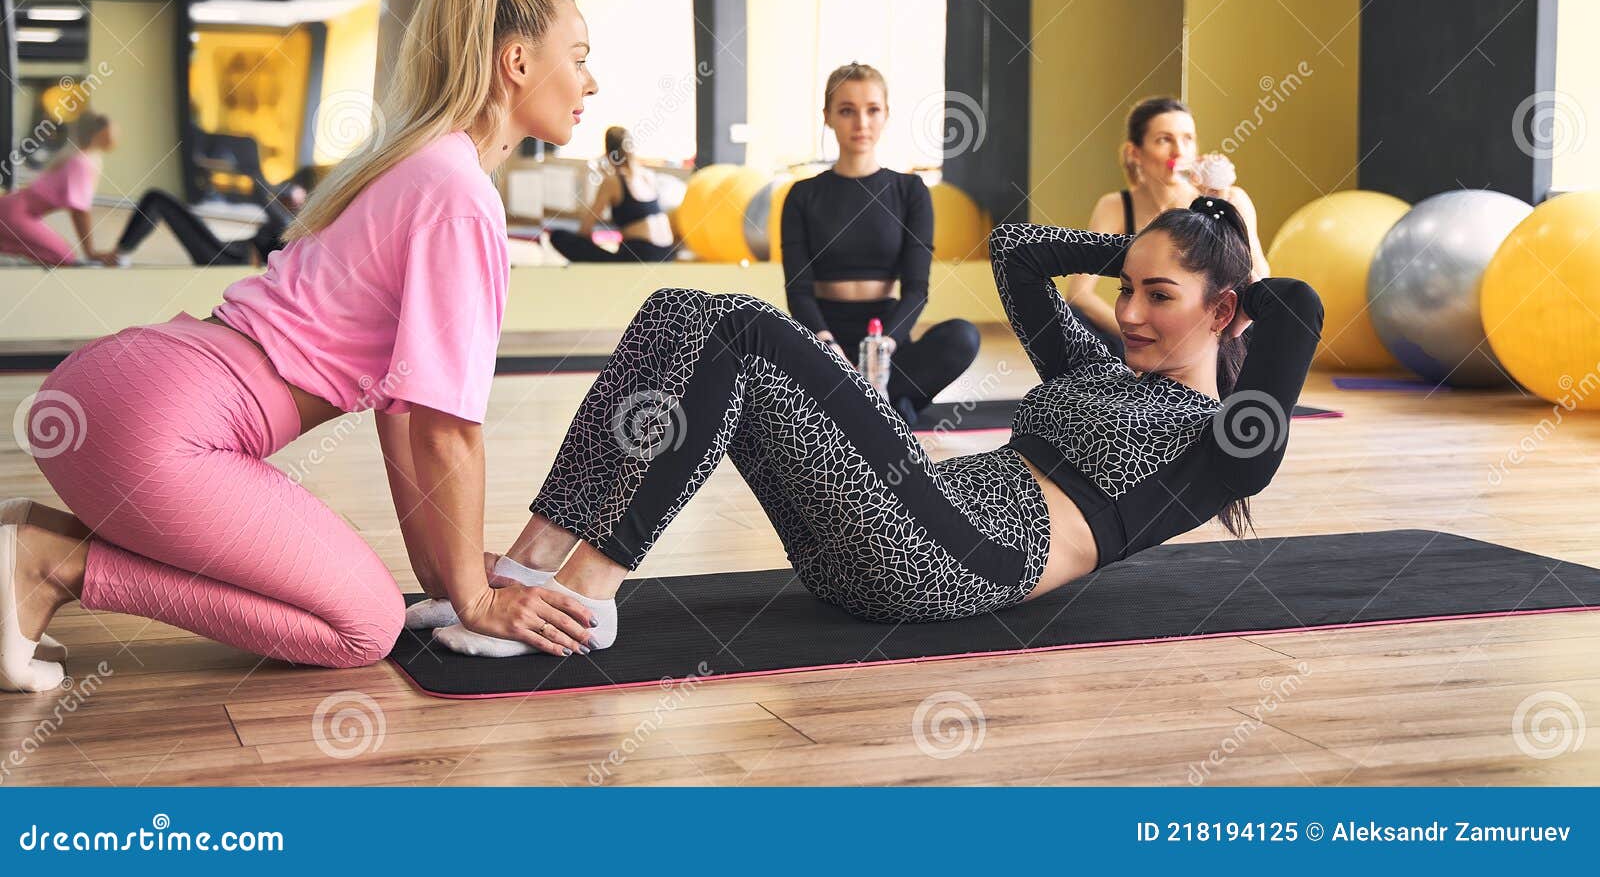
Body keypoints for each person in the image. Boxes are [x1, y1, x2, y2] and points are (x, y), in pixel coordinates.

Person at [1, 0, 605, 692]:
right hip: (161, 427)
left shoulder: (417, 160)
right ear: (517, 63)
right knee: (363, 627)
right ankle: (48, 559)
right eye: (577, 56)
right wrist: (477, 599)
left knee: (374, 608)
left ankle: (37, 545)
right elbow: (449, 428)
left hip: (116, 389)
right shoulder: (459, 194)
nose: (591, 81)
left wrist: (445, 576)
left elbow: (404, 413)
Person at [406, 195, 1323, 658]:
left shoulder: (1220, 441)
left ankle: (588, 594)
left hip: (960, 557)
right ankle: (530, 563)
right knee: (678, 308)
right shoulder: (1094, 368)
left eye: (1159, 296)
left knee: (745, 330)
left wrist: (1248, 257)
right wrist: (1131, 249)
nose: (1128, 310)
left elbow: (1295, 325)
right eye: (1127, 289)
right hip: (896, 522)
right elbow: (1017, 253)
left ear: (1225, 309)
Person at [779, 62, 980, 424]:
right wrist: (827, 345)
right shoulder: (802, 195)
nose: (861, 123)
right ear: (827, 117)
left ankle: (870, 398)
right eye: (846, 111)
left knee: (962, 337)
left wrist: (883, 346)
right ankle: (887, 405)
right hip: (825, 338)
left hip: (886, 340)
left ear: (886, 115)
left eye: (872, 110)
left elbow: (916, 290)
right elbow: (799, 291)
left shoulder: (910, 191)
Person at [1068, 97, 1270, 359]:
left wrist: (1217, 207)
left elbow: (1258, 279)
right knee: (1072, 321)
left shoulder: (1231, 199)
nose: (1179, 151)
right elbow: (1079, 294)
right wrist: (1137, 331)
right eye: (1164, 140)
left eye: (1188, 139)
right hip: (1138, 336)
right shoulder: (1115, 207)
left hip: (1207, 337)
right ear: (1135, 153)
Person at [109, 167, 318, 267]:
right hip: (230, 251)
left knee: (157, 199)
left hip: (230, 259)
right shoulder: (292, 221)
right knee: (156, 199)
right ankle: (120, 254)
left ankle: (118, 256)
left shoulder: (294, 226)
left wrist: (277, 189)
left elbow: (259, 193)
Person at [0, 112, 117, 267]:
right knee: (63, 257)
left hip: (13, 209)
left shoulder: (87, 159)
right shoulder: (82, 162)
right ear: (100, 132)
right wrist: (91, 252)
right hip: (14, 213)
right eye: (113, 130)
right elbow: (79, 211)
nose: (117, 135)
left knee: (59, 257)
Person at [546, 125, 676, 263]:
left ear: (608, 154)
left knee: (558, 236)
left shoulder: (611, 182)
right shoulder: (647, 176)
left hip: (642, 256)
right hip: (667, 253)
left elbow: (585, 229)